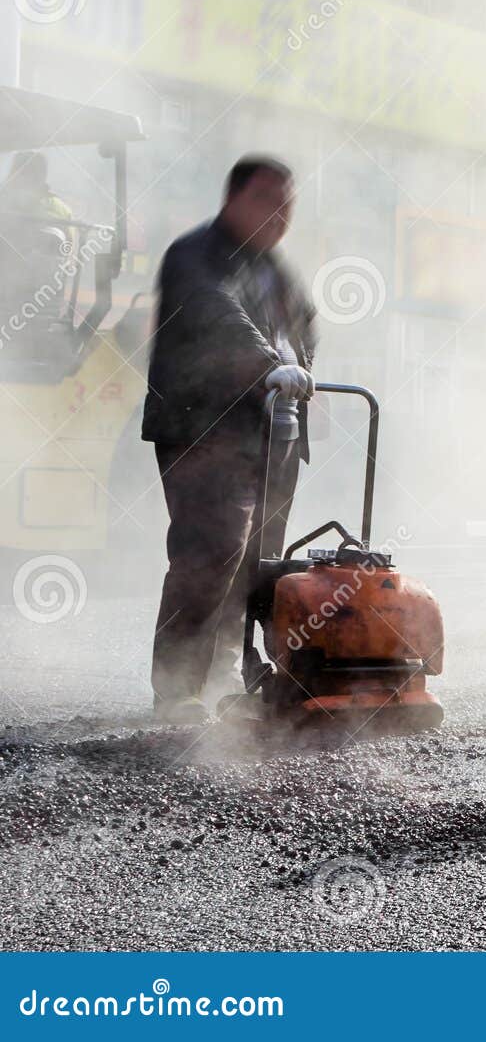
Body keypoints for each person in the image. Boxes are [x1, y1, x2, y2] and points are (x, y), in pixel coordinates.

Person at [142, 156, 317, 724]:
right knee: (211, 552)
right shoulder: (194, 256)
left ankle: (243, 682)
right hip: (205, 430)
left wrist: (297, 364)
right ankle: (177, 689)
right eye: (268, 201)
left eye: (288, 204)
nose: (281, 215)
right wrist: (270, 364)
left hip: (274, 431)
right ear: (235, 199)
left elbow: (306, 320)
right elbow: (216, 313)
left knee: (260, 562)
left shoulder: (275, 268)